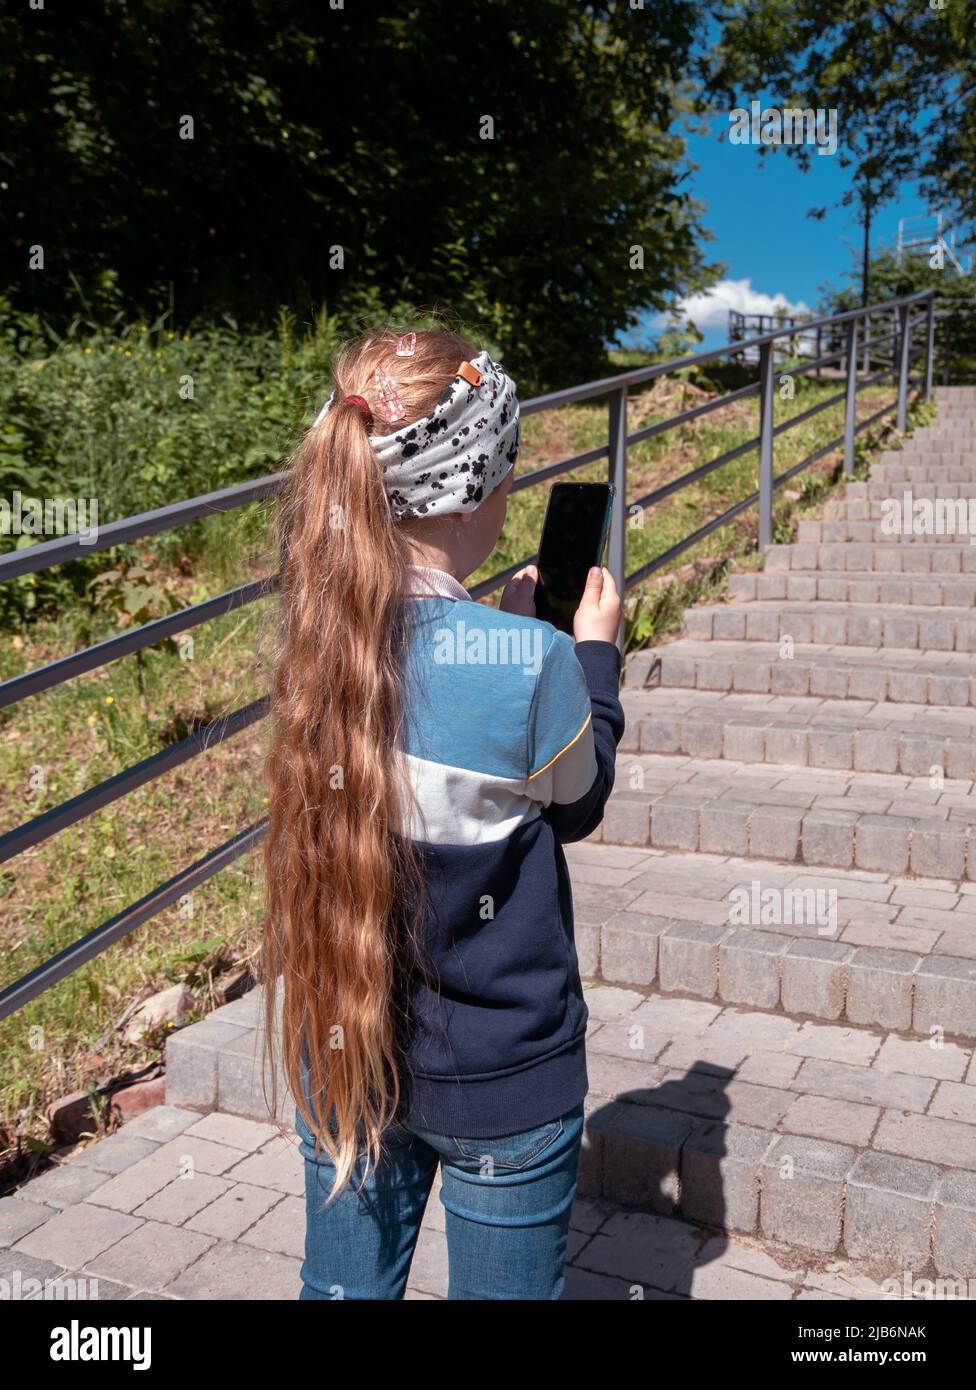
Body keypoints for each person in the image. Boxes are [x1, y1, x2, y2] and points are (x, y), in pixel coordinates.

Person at [261, 326, 625, 1300]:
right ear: (480, 490)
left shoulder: (320, 635)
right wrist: (589, 657)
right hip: (505, 1081)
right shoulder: (533, 662)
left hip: (344, 1050)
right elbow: (577, 800)